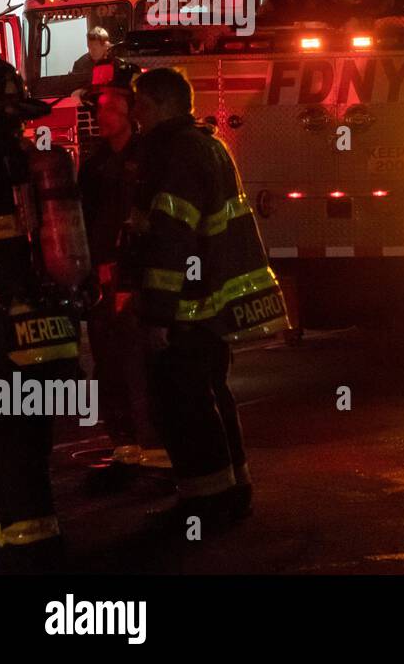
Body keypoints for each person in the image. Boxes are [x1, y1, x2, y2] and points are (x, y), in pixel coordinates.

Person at [127, 67, 289, 527]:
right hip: (209, 307)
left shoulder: (174, 154)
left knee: (185, 406)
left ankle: (205, 502)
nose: (136, 113)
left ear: (158, 105)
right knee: (212, 394)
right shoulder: (207, 145)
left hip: (186, 308)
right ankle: (232, 490)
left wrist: (157, 315)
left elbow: (171, 240)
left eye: (139, 103)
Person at [0, 61, 83, 571]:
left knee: (7, 439)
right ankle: (35, 539)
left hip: (2, 332)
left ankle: (25, 546)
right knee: (28, 436)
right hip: (46, 329)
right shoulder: (35, 162)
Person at [78, 60, 166, 468]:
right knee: (107, 358)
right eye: (99, 110)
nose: (101, 116)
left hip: (135, 275)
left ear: (130, 113)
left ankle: (153, 440)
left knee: (139, 358)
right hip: (100, 274)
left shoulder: (148, 158)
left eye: (110, 109)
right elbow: (84, 217)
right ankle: (122, 439)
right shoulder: (93, 164)